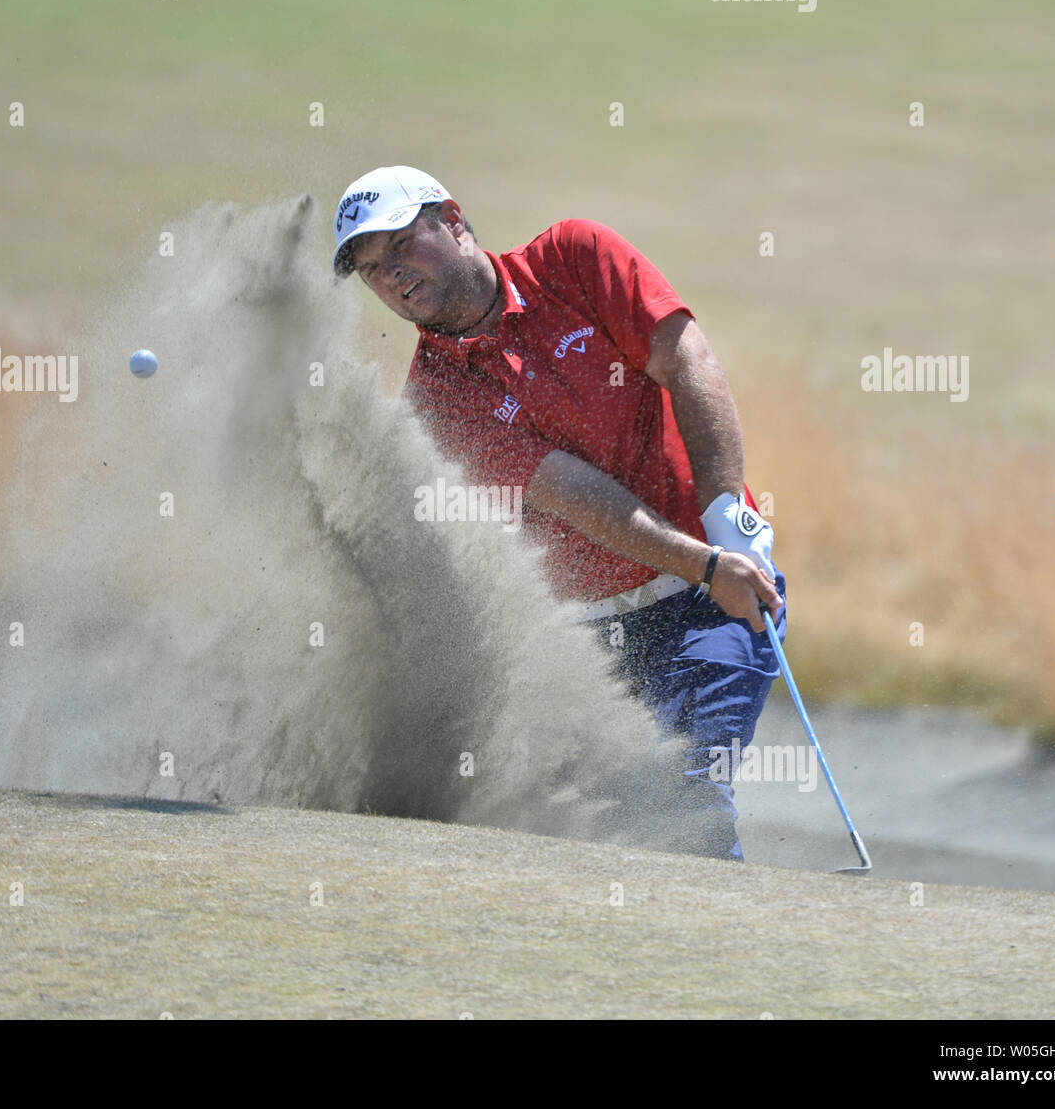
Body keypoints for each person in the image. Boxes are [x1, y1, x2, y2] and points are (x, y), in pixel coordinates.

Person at [330, 165, 787, 860]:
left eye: (400, 246)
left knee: (687, 796)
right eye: (370, 269)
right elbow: (574, 496)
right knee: (603, 826)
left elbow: (688, 360)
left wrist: (727, 522)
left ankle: (711, 957)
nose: (391, 276)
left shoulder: (575, 260)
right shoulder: (435, 402)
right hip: (594, 637)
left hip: (711, 602)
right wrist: (707, 559)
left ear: (452, 220)